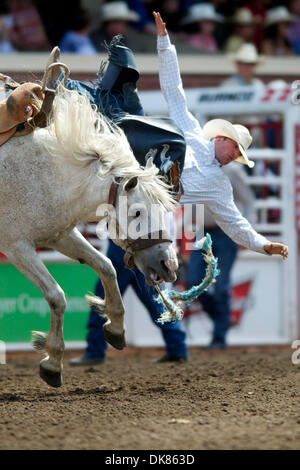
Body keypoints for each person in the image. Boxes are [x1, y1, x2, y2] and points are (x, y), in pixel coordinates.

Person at [152, 11, 288, 261]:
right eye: (236, 149)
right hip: (137, 191)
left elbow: (237, 225)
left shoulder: (219, 185)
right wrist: (164, 43)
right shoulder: (192, 130)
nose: (235, 156)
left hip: (154, 215)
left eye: (239, 154)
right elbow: (173, 90)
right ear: (222, 138)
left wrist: (264, 245)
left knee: (159, 263)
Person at [70, 239, 189, 365]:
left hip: (123, 251)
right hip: (143, 251)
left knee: (103, 303)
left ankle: (94, 352)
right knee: (158, 305)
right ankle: (177, 348)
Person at [185, 164, 256, 349]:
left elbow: (248, 199)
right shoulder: (195, 169)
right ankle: (223, 320)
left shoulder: (231, 171)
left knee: (221, 285)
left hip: (226, 232)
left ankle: (219, 338)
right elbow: (192, 202)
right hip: (200, 232)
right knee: (192, 281)